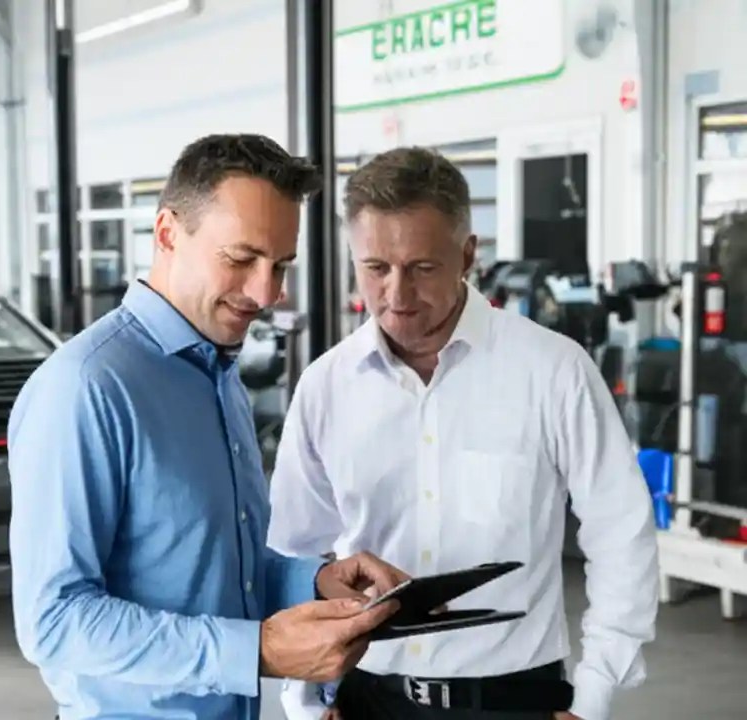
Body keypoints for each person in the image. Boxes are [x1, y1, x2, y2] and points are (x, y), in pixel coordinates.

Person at [7, 133, 412, 720]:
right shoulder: (86, 387)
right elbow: (53, 621)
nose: (266, 292)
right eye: (241, 259)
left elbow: (209, 574)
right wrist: (260, 650)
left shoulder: (215, 375)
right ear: (169, 232)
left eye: (280, 266)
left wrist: (313, 581)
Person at [268, 146, 660, 720]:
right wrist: (303, 699)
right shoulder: (326, 385)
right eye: (376, 268)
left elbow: (620, 530)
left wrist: (596, 691)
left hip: (515, 698)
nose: (397, 296)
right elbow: (295, 548)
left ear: (468, 254)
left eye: (422, 267)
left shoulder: (552, 370)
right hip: (364, 697)